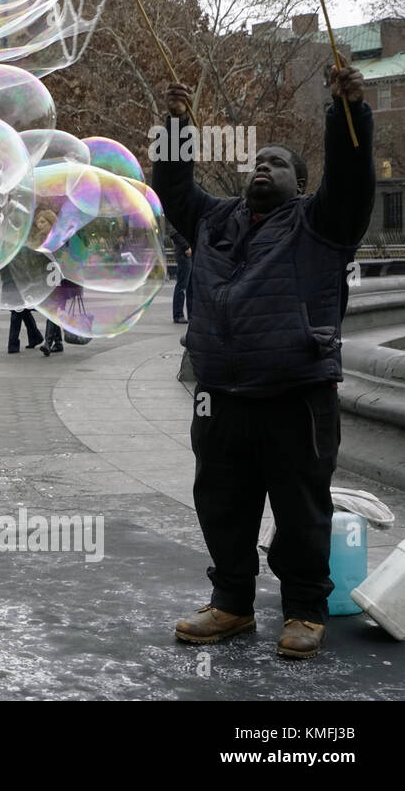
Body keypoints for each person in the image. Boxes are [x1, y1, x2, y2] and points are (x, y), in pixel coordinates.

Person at [153, 66, 375, 660]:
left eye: (276, 163)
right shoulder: (215, 220)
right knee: (221, 503)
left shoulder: (321, 224)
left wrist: (347, 111)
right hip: (219, 393)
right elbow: (175, 191)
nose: (261, 167)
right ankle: (232, 605)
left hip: (295, 393)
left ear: (302, 184)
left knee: (301, 510)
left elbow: (352, 180)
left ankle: (304, 611)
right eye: (258, 161)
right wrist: (176, 125)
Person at [169, 224, 193, 323]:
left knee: (191, 287)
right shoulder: (178, 213)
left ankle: (191, 315)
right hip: (184, 254)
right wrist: (186, 247)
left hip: (191, 254)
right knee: (182, 285)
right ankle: (178, 315)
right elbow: (174, 233)